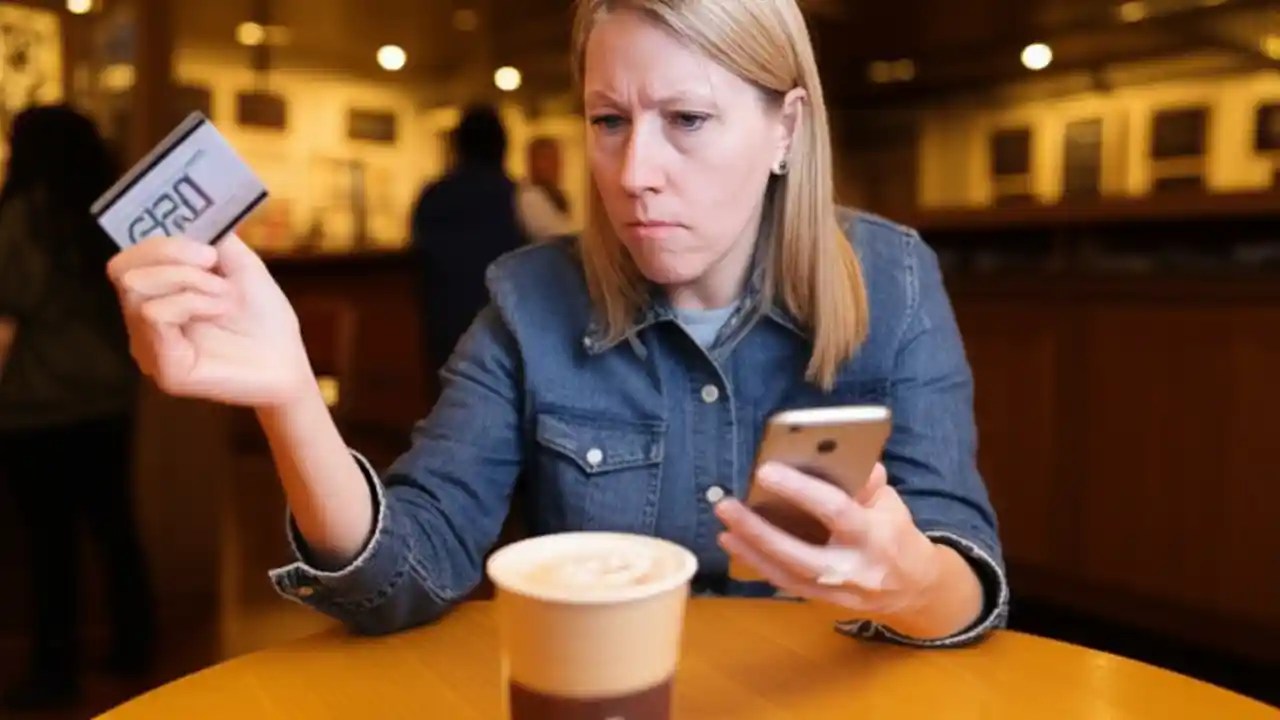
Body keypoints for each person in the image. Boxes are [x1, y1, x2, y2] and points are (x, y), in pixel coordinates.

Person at [106, 0, 1007, 648]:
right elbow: (403, 576)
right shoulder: (529, 300)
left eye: (688, 119)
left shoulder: (893, 281)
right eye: (608, 120)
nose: (634, 171)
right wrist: (289, 393)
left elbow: (969, 580)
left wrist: (913, 580)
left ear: (787, 128)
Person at [0, 105, 155, 711]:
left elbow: (12, 294)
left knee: (50, 544)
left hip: (38, 404)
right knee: (115, 525)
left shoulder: (23, 216)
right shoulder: (110, 214)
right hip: (109, 395)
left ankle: (54, 669)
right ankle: (136, 644)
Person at [409, 104, 527, 380]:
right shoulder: (518, 197)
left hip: (443, 333)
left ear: (457, 146)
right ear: (502, 146)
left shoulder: (431, 198)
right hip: (503, 338)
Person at [516, 136, 575, 241]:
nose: (556, 167)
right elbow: (557, 236)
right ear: (533, 163)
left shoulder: (552, 196)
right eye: (549, 160)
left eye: (557, 160)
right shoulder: (530, 197)